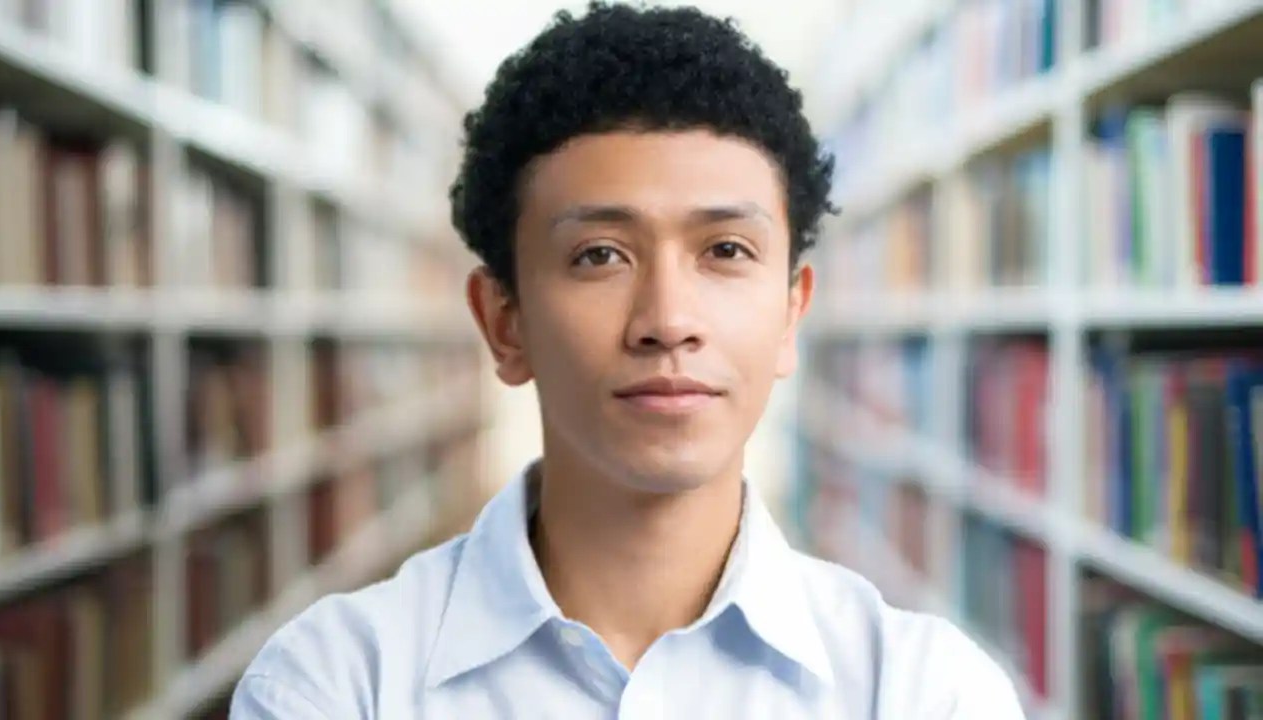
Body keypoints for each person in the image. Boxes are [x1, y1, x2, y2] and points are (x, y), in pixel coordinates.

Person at [230, 3, 1026, 718]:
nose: (668, 322)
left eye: (726, 250)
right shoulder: (333, 685)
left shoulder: (928, 693)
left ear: (791, 315)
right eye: (600, 255)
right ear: (504, 323)